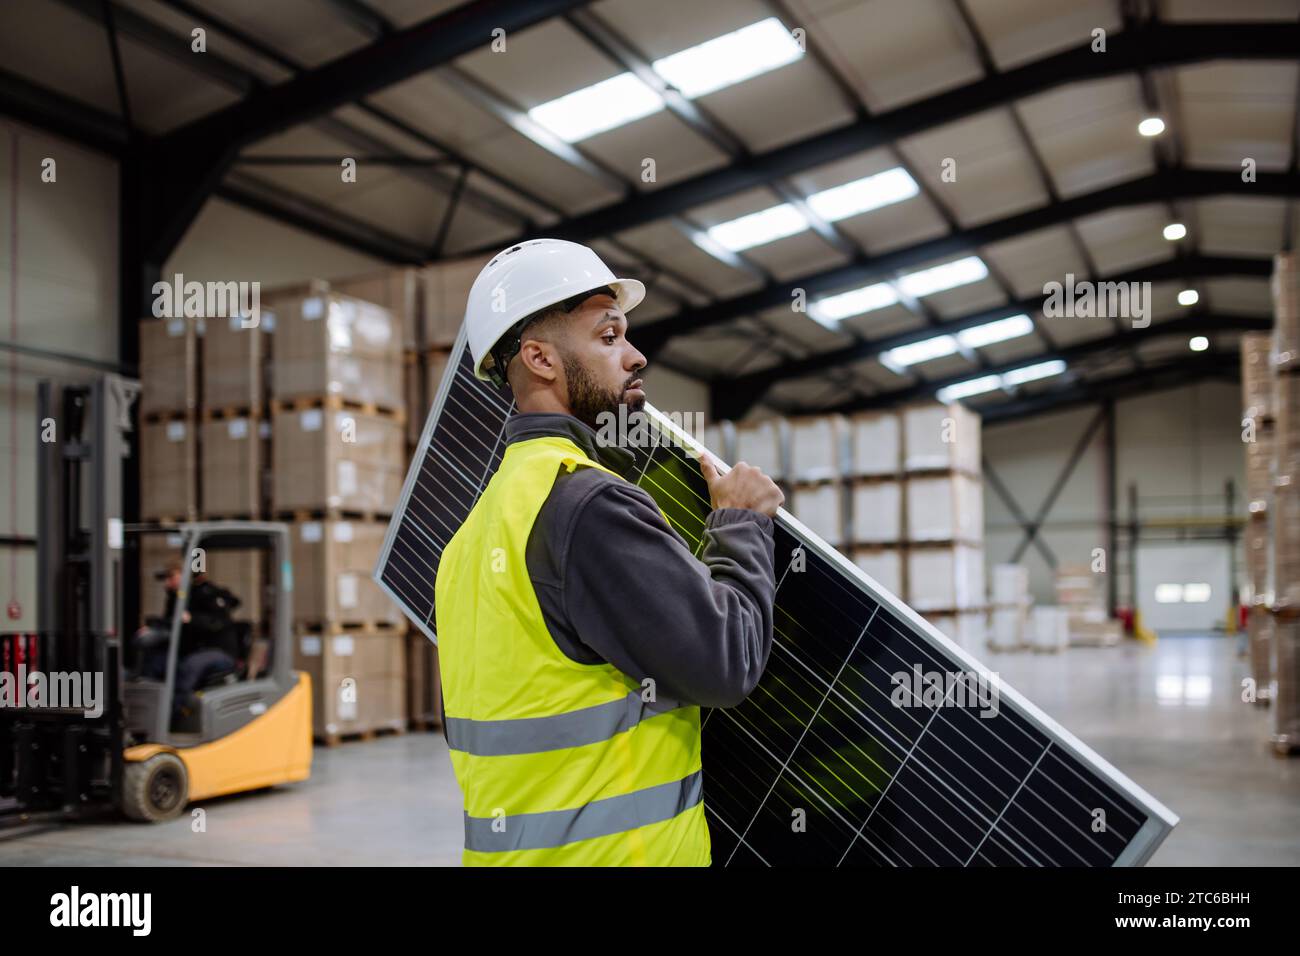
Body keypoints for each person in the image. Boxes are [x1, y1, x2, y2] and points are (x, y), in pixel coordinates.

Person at [435, 238, 783, 866]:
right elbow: (725, 660)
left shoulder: (469, 537)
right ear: (539, 359)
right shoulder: (587, 506)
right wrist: (742, 522)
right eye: (608, 335)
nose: (635, 354)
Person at [135, 561, 241, 723]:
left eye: (172, 577)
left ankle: (174, 715)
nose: (167, 583)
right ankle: (147, 712)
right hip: (193, 649)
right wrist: (151, 627)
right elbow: (171, 622)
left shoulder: (206, 593)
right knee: (157, 662)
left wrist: (192, 619)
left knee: (190, 666)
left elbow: (216, 622)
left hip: (218, 651)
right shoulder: (176, 598)